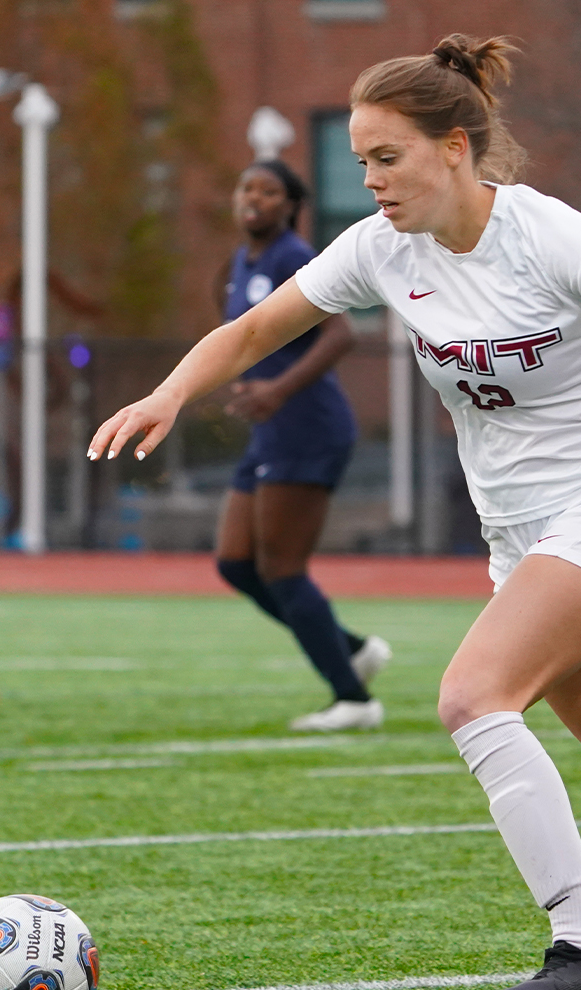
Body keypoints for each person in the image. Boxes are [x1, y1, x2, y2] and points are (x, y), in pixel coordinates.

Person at [92, 35, 581, 990]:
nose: (367, 180)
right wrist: (167, 393)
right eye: (360, 160)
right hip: (521, 535)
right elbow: (250, 332)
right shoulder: (381, 249)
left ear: (456, 148)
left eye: (386, 157)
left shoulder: (548, 238)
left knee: (472, 697)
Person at [212, 158, 391, 732]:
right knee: (237, 564)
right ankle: (352, 649)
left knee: (283, 569)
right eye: (247, 186)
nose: (254, 198)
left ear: (292, 206)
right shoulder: (244, 261)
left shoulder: (293, 255)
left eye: (269, 191)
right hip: (272, 430)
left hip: (307, 426)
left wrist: (276, 391)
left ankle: (354, 700)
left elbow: (340, 333)